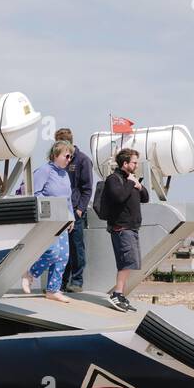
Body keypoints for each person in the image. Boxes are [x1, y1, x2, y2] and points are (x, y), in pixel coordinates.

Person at [96, 148, 149, 312]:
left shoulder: (130, 180)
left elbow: (145, 198)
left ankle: (120, 294)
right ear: (125, 163)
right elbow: (119, 197)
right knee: (126, 262)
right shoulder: (114, 179)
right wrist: (131, 183)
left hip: (132, 228)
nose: (136, 165)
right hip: (121, 227)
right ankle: (116, 294)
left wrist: (139, 186)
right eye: (134, 162)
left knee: (129, 262)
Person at [21, 140, 74, 303]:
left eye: (71, 156)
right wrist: (52, 204)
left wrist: (71, 217)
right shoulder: (44, 171)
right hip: (48, 220)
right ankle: (30, 274)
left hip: (62, 220)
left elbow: (68, 199)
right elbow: (35, 193)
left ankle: (53, 290)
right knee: (53, 253)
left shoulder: (65, 174)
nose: (69, 159)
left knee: (63, 256)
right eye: (67, 155)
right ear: (56, 154)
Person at [55, 128, 94, 293]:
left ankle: (77, 281)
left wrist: (79, 209)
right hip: (60, 212)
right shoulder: (58, 160)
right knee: (61, 249)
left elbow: (87, 188)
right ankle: (61, 282)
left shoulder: (83, 160)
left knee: (76, 248)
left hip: (75, 211)